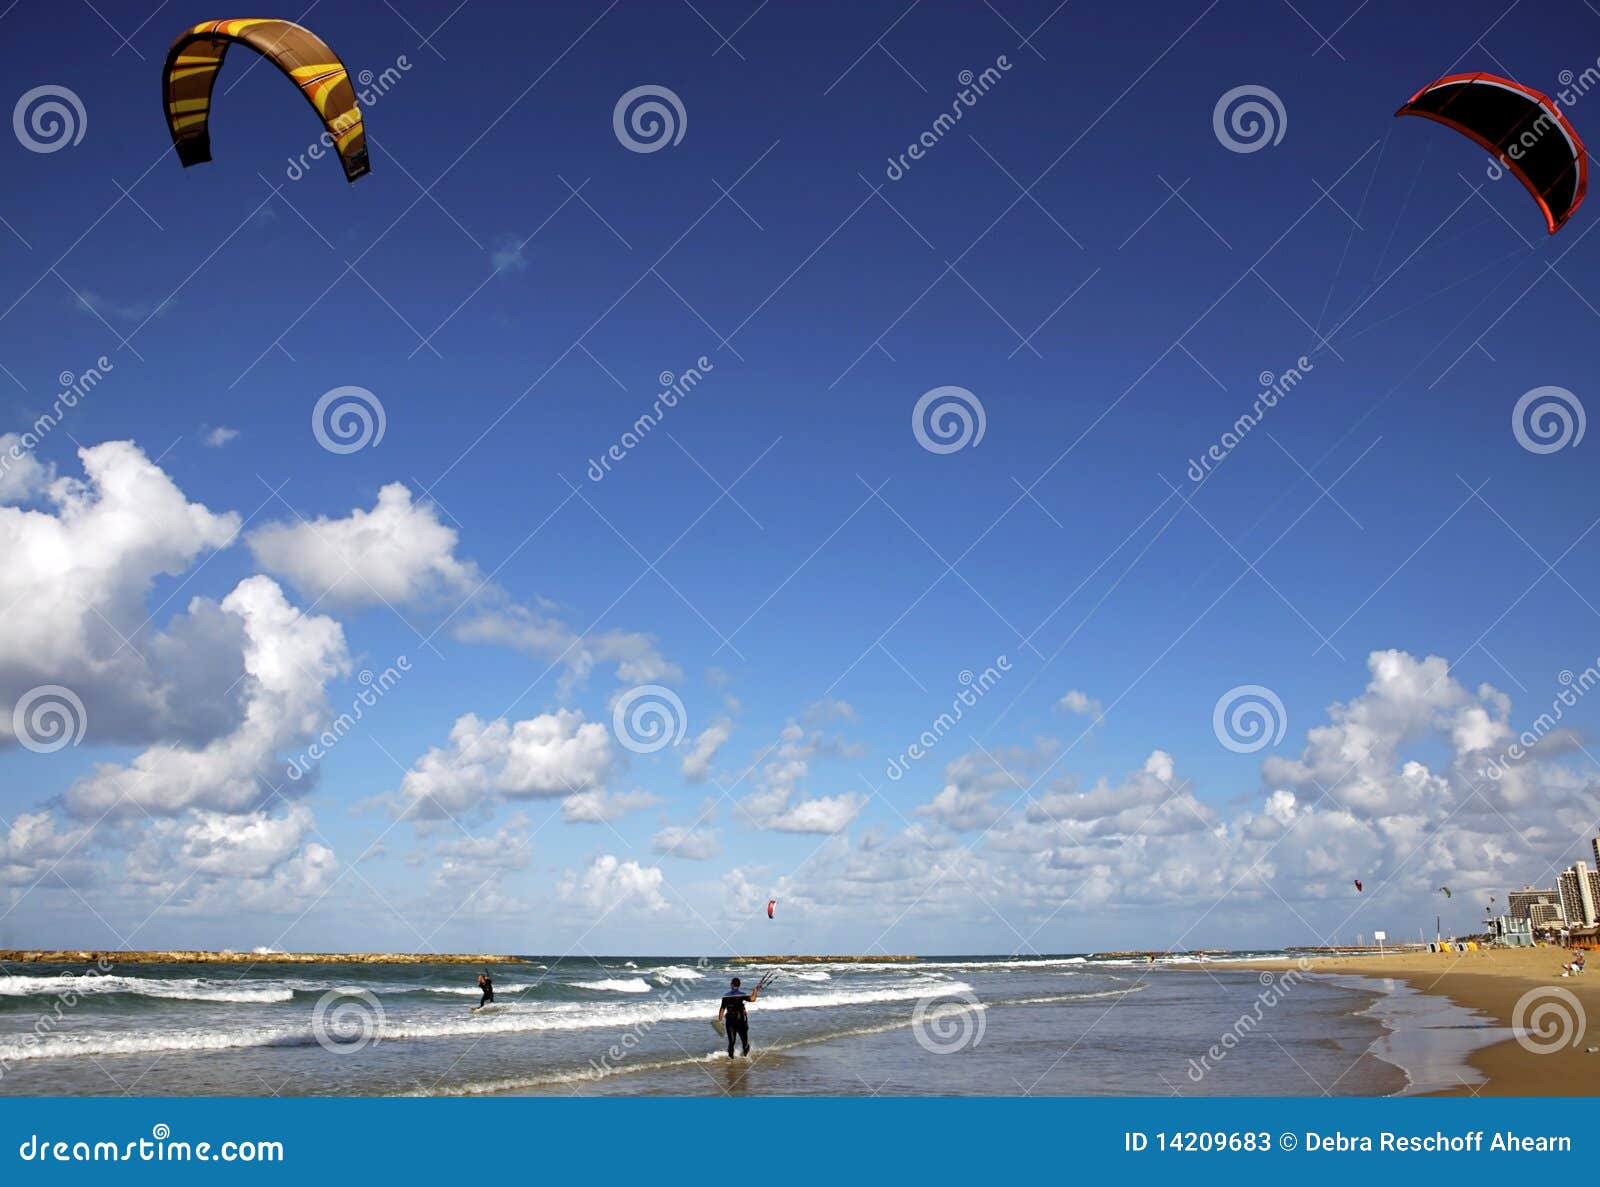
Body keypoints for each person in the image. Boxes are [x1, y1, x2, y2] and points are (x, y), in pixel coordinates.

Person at [717, 975, 761, 1058]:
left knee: (731, 1042)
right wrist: (755, 991)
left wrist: (719, 1021)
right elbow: (752, 999)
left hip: (730, 1022)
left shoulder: (726, 996)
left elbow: (722, 1009)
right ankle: (746, 1058)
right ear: (739, 985)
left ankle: (731, 1061)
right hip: (741, 1021)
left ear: (731, 985)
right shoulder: (742, 994)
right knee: (744, 1041)